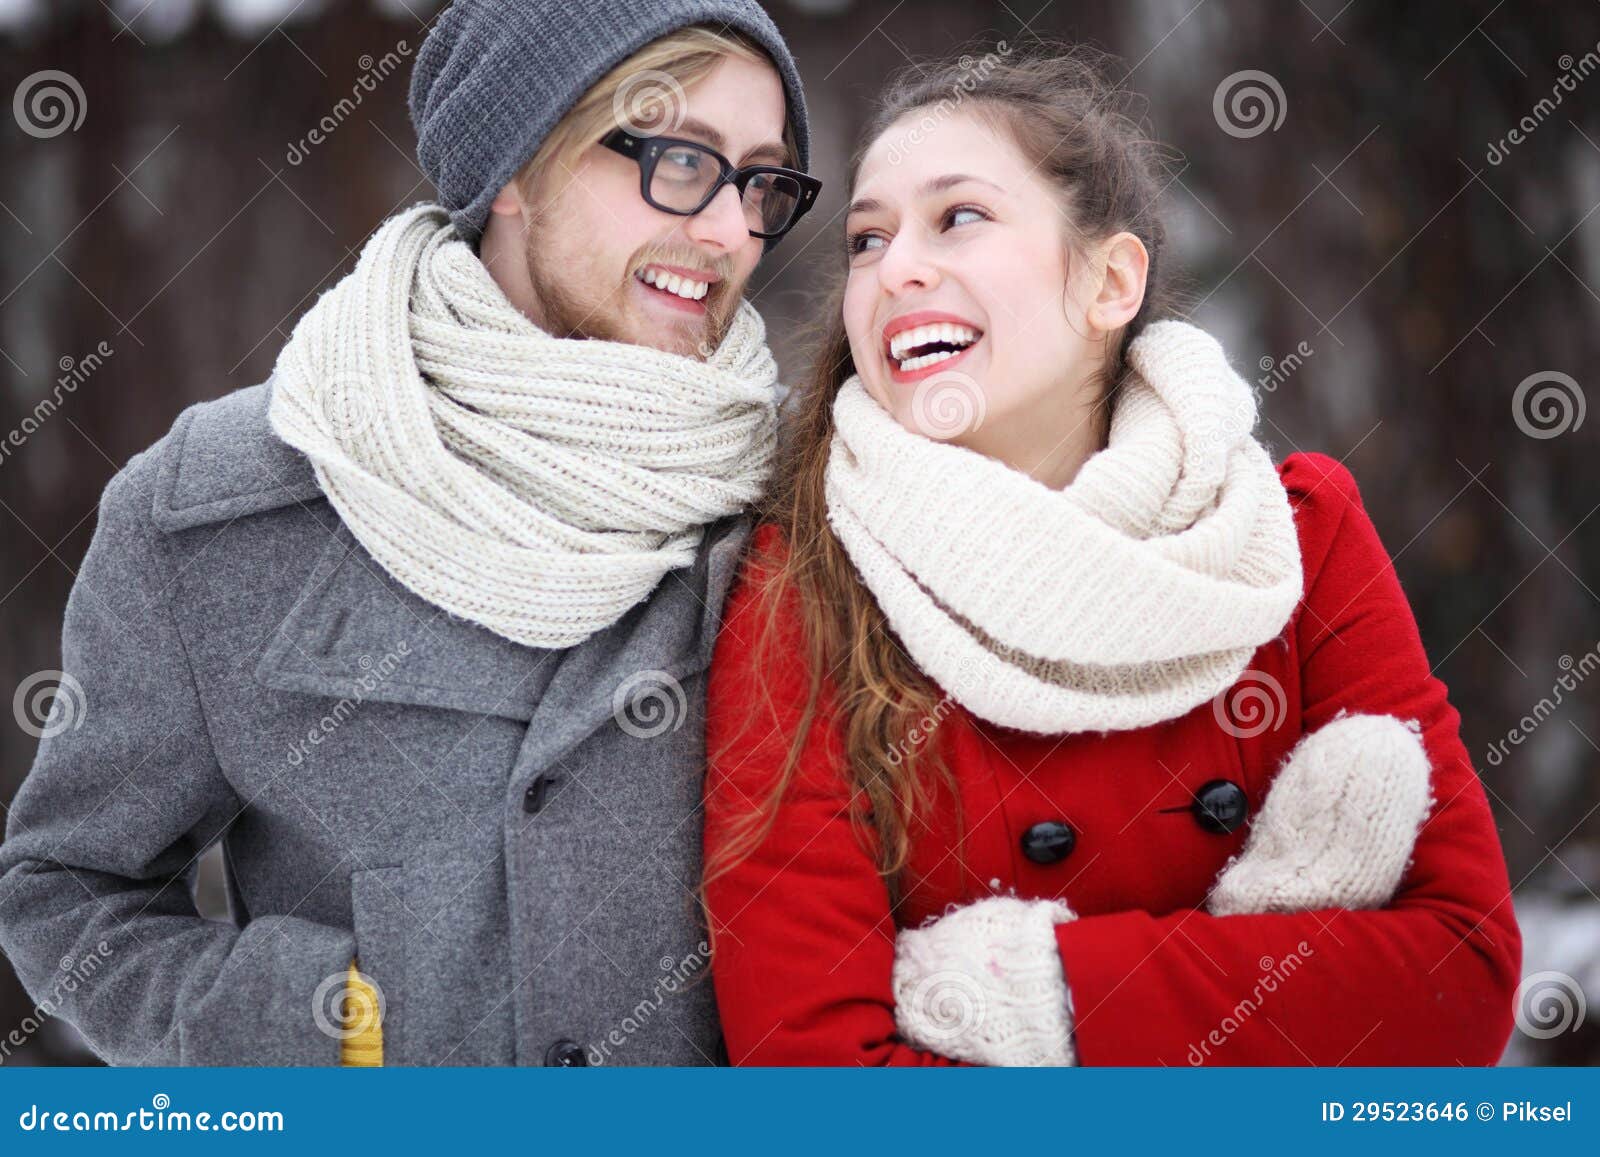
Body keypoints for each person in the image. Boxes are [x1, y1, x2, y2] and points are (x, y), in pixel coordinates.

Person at [0, 0, 815, 1067]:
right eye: (679, 161)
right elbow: (67, 889)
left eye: (761, 181)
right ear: (518, 167)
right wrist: (310, 1026)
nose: (728, 230)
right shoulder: (225, 508)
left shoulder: (803, 500)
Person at [701, 42, 1522, 1066]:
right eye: (867, 238)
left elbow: (1463, 977)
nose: (895, 265)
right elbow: (816, 1077)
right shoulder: (804, 584)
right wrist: (1275, 980)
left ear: (1109, 281)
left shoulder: (1298, 532)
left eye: (958, 216)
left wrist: (1034, 992)